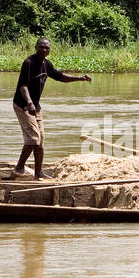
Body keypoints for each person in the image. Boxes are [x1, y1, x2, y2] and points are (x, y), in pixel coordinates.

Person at [12, 37, 91, 179]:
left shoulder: (46, 64)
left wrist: (80, 78)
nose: (44, 50)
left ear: (49, 50)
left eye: (46, 48)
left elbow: (60, 77)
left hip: (35, 107)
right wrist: (29, 102)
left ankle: (38, 173)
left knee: (40, 139)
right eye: (41, 47)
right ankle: (19, 168)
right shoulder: (28, 63)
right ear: (36, 47)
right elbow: (23, 86)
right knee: (33, 138)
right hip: (23, 105)